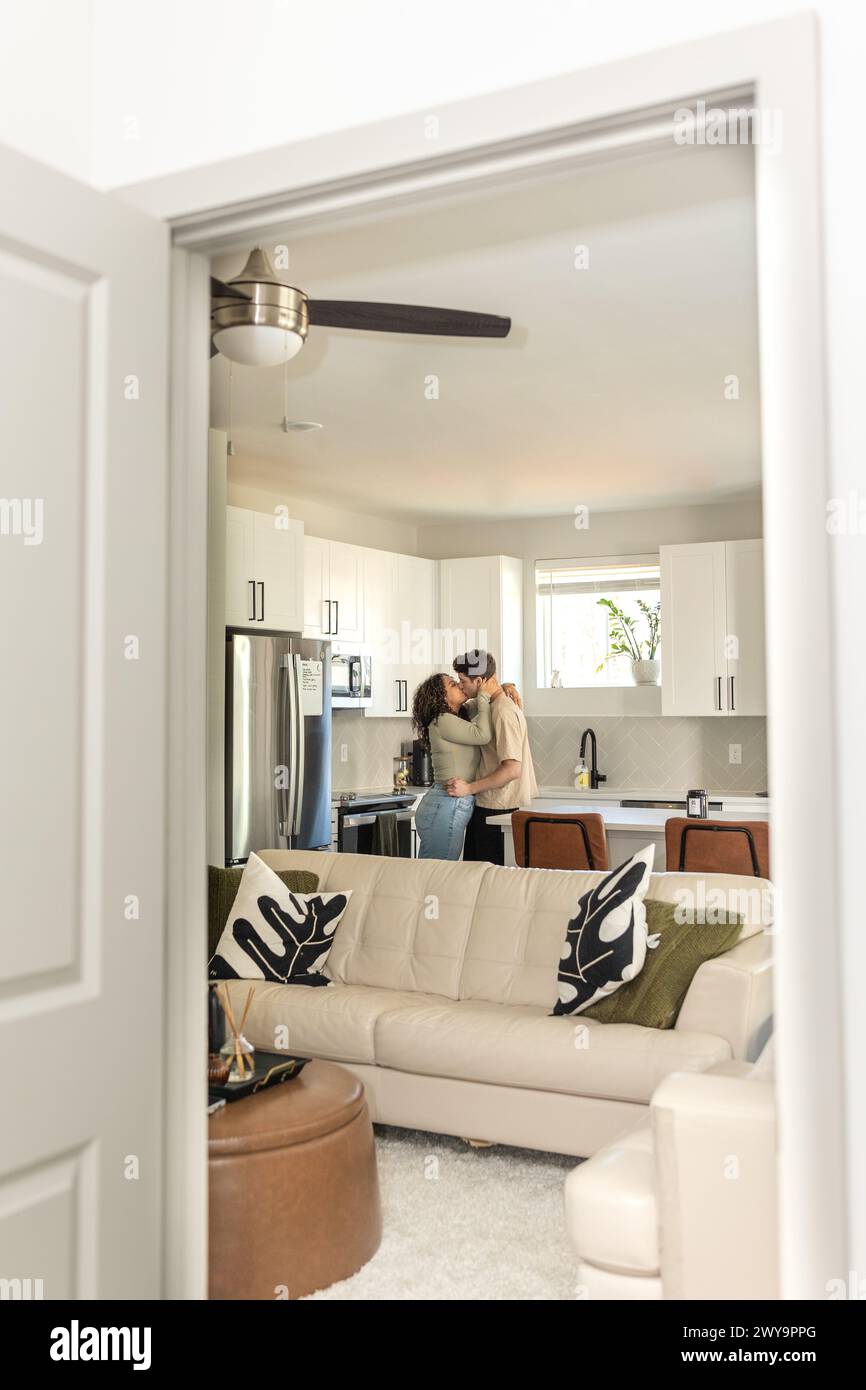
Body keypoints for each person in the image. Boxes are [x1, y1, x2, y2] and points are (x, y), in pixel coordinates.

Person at [447, 649, 538, 865]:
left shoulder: (503, 712)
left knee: (485, 883)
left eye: (462, 681)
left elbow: (512, 769)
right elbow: (459, 709)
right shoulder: (489, 705)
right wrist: (504, 684)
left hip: (497, 808)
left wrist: (468, 788)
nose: (460, 686)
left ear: (479, 680)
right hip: (490, 805)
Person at [410, 672, 494, 859]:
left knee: (436, 874)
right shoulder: (442, 720)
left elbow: (485, 703)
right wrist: (483, 695)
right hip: (446, 803)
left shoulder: (456, 717)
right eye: (453, 684)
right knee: (440, 875)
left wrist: (505, 688)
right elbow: (483, 735)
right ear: (441, 696)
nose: (460, 685)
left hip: (447, 803)